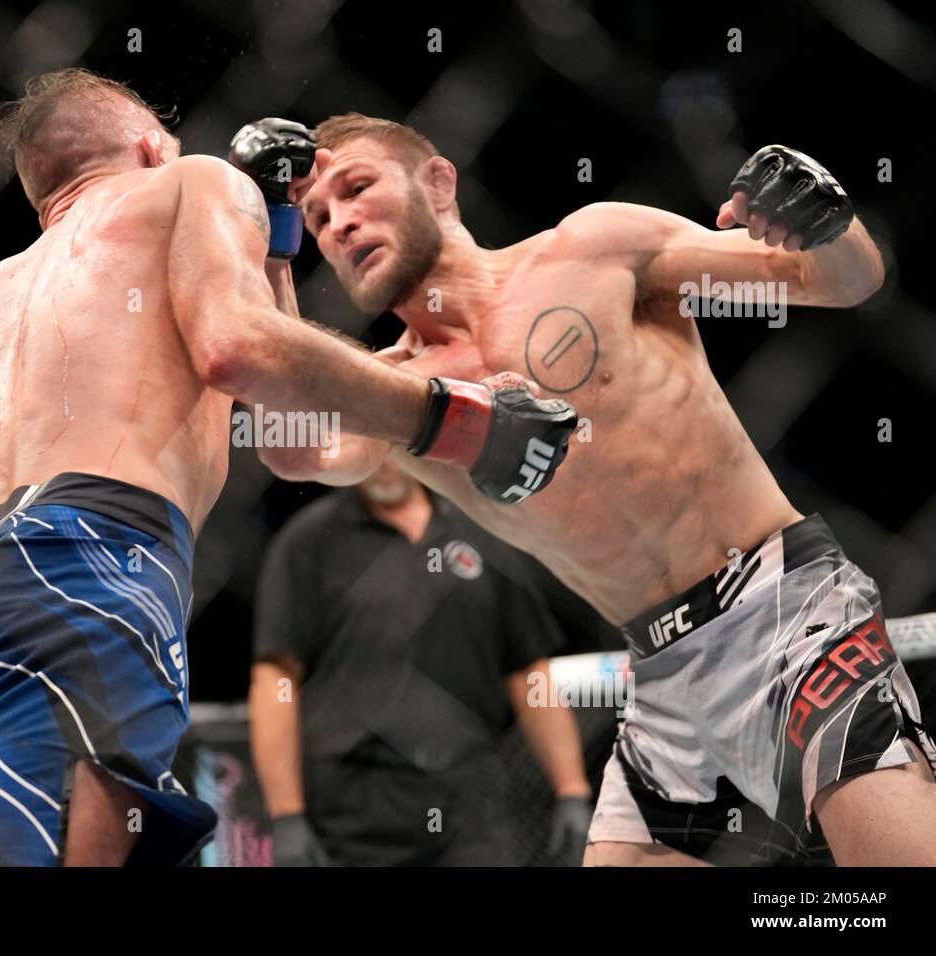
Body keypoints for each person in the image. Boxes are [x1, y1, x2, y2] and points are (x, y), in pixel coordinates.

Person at [0, 72, 575, 867]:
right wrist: (455, 418)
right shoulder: (192, 181)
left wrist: (277, 240)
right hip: (88, 569)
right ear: (154, 146)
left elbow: (288, 423)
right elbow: (239, 349)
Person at [252, 113, 936, 865]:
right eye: (315, 218)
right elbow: (296, 444)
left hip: (785, 613)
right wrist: (269, 237)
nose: (340, 222)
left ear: (438, 183)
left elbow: (842, 280)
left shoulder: (595, 248)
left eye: (356, 189)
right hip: (663, 673)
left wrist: (822, 221)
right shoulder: (399, 393)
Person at [249, 460, 593, 866]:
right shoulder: (310, 541)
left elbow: (529, 670)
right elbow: (275, 676)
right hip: (355, 800)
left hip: (470, 796)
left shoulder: (480, 531)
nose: (384, 465)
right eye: (371, 450)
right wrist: (286, 813)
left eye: (394, 447)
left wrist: (572, 788)